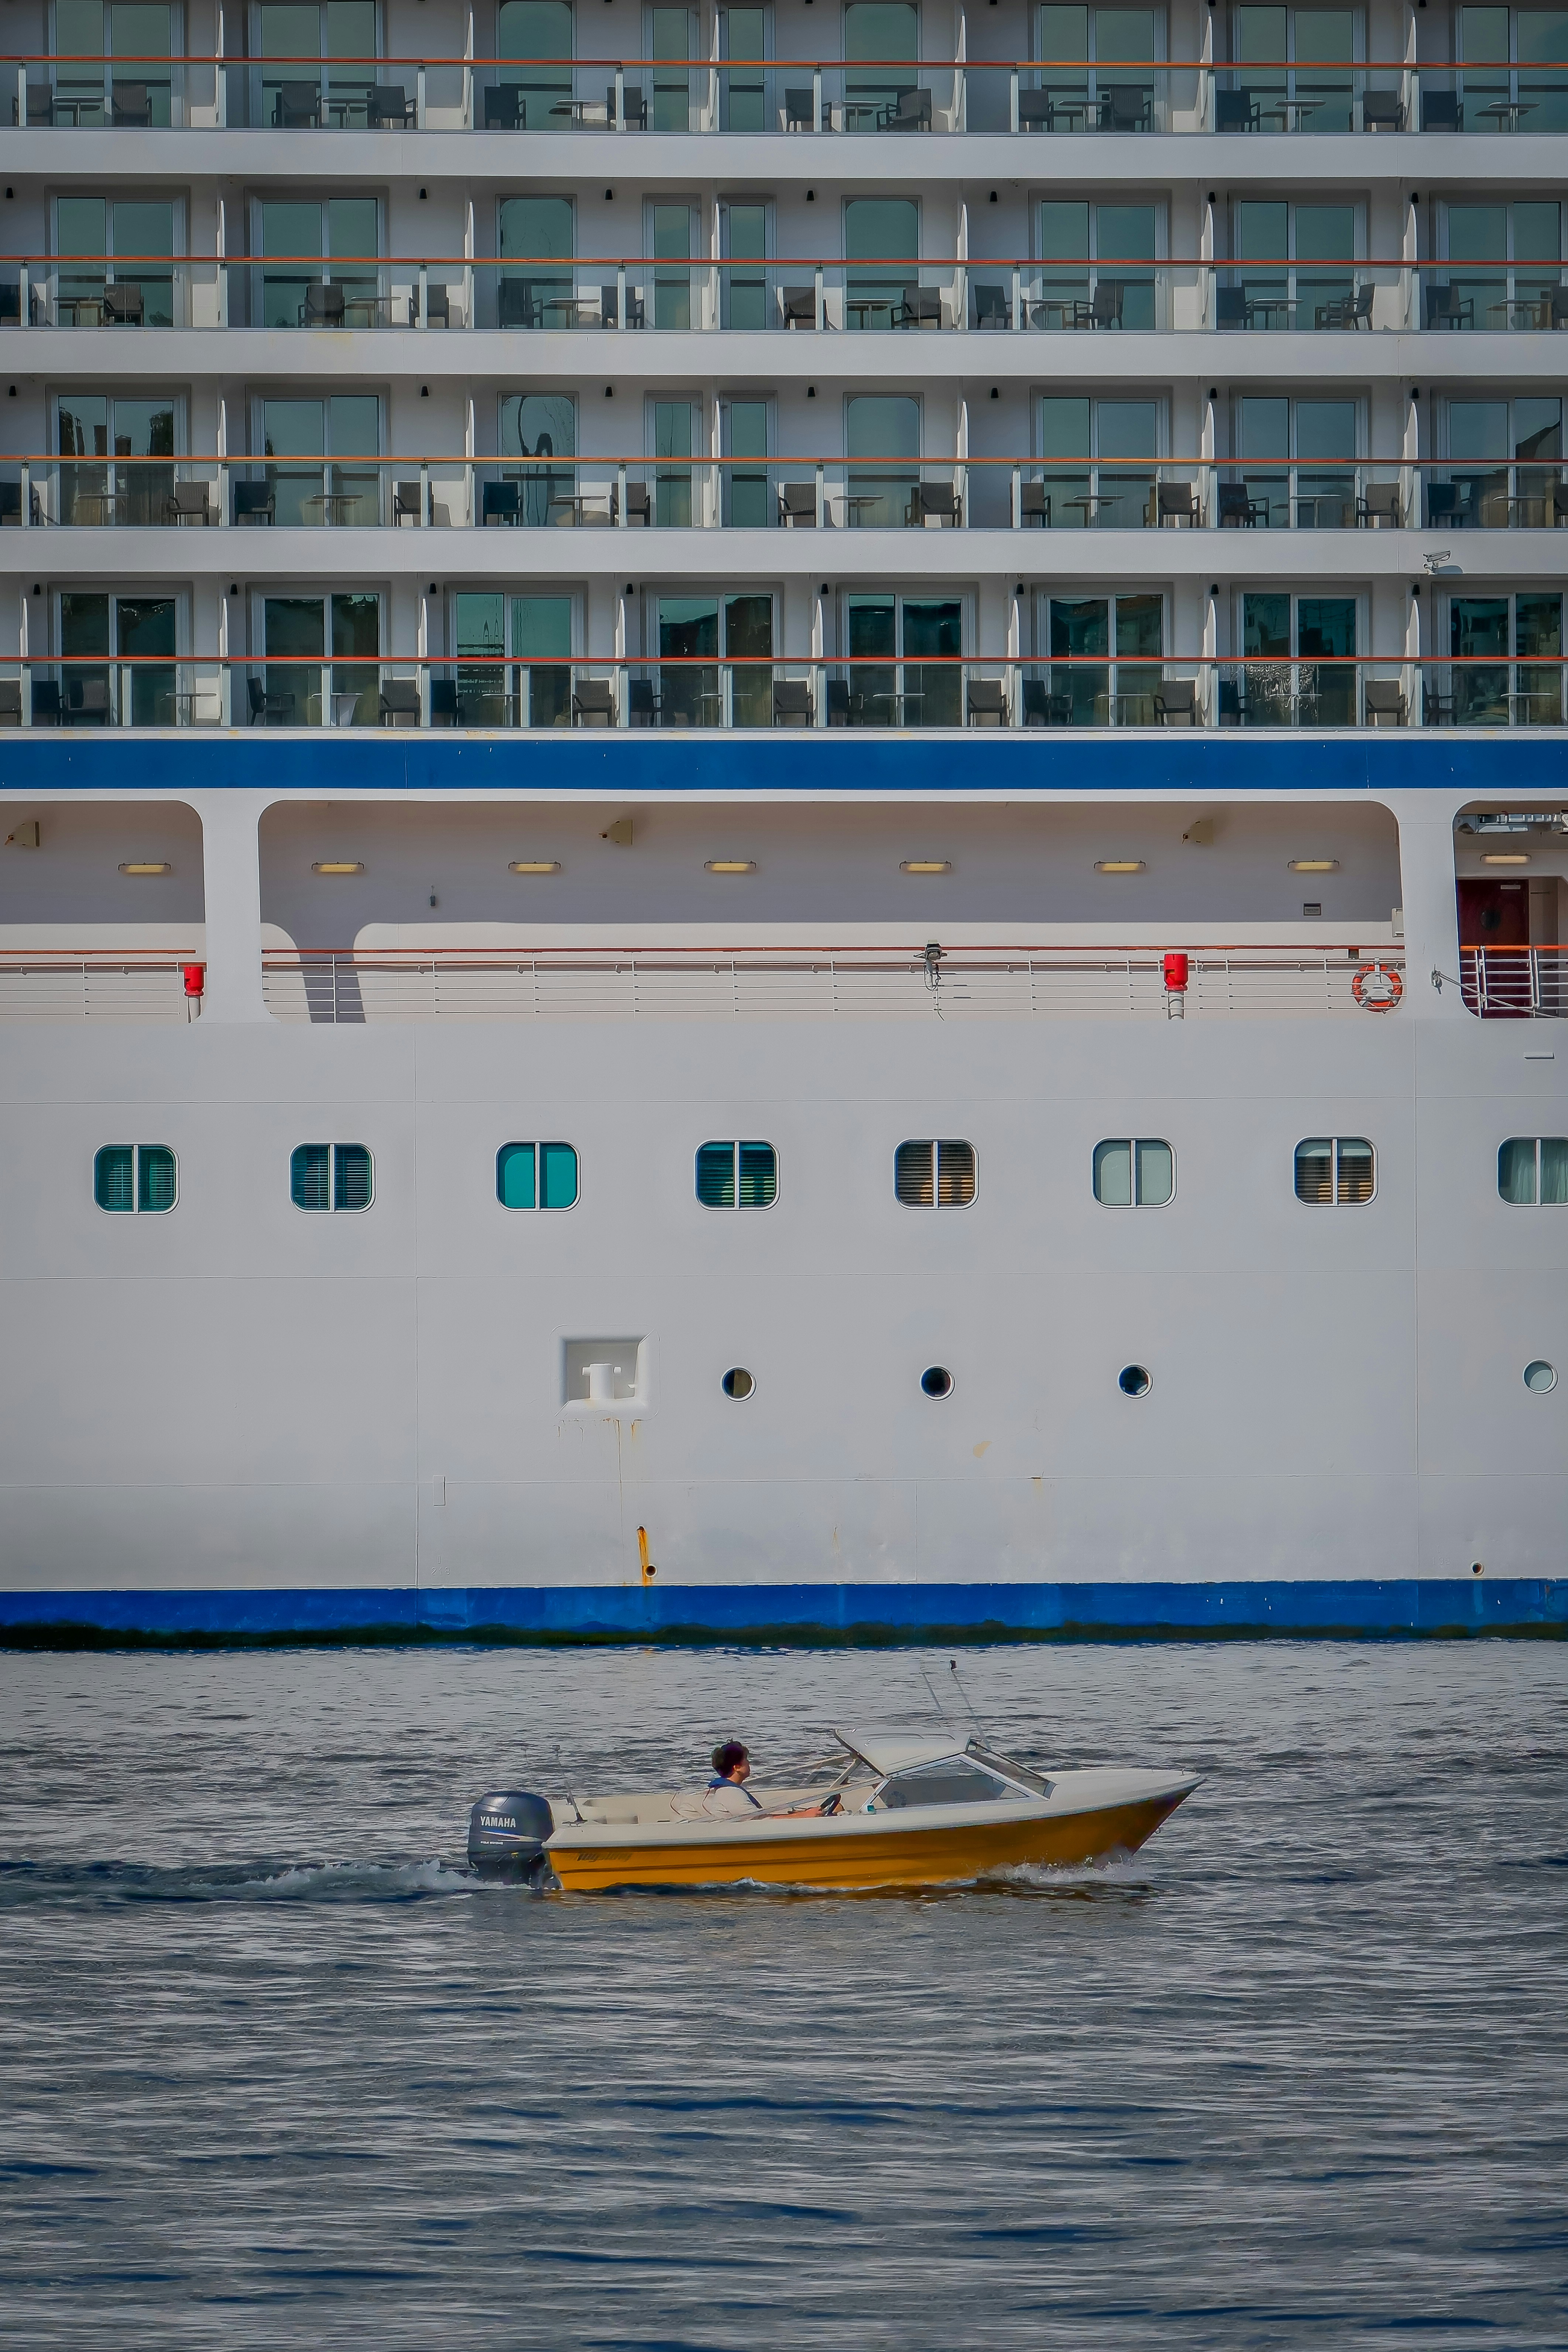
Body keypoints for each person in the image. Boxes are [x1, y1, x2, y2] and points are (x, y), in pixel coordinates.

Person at [703, 1740, 762, 1816]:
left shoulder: (727, 1790)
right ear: (737, 1767)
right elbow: (759, 1819)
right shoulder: (729, 1792)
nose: (748, 1763)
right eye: (746, 1759)